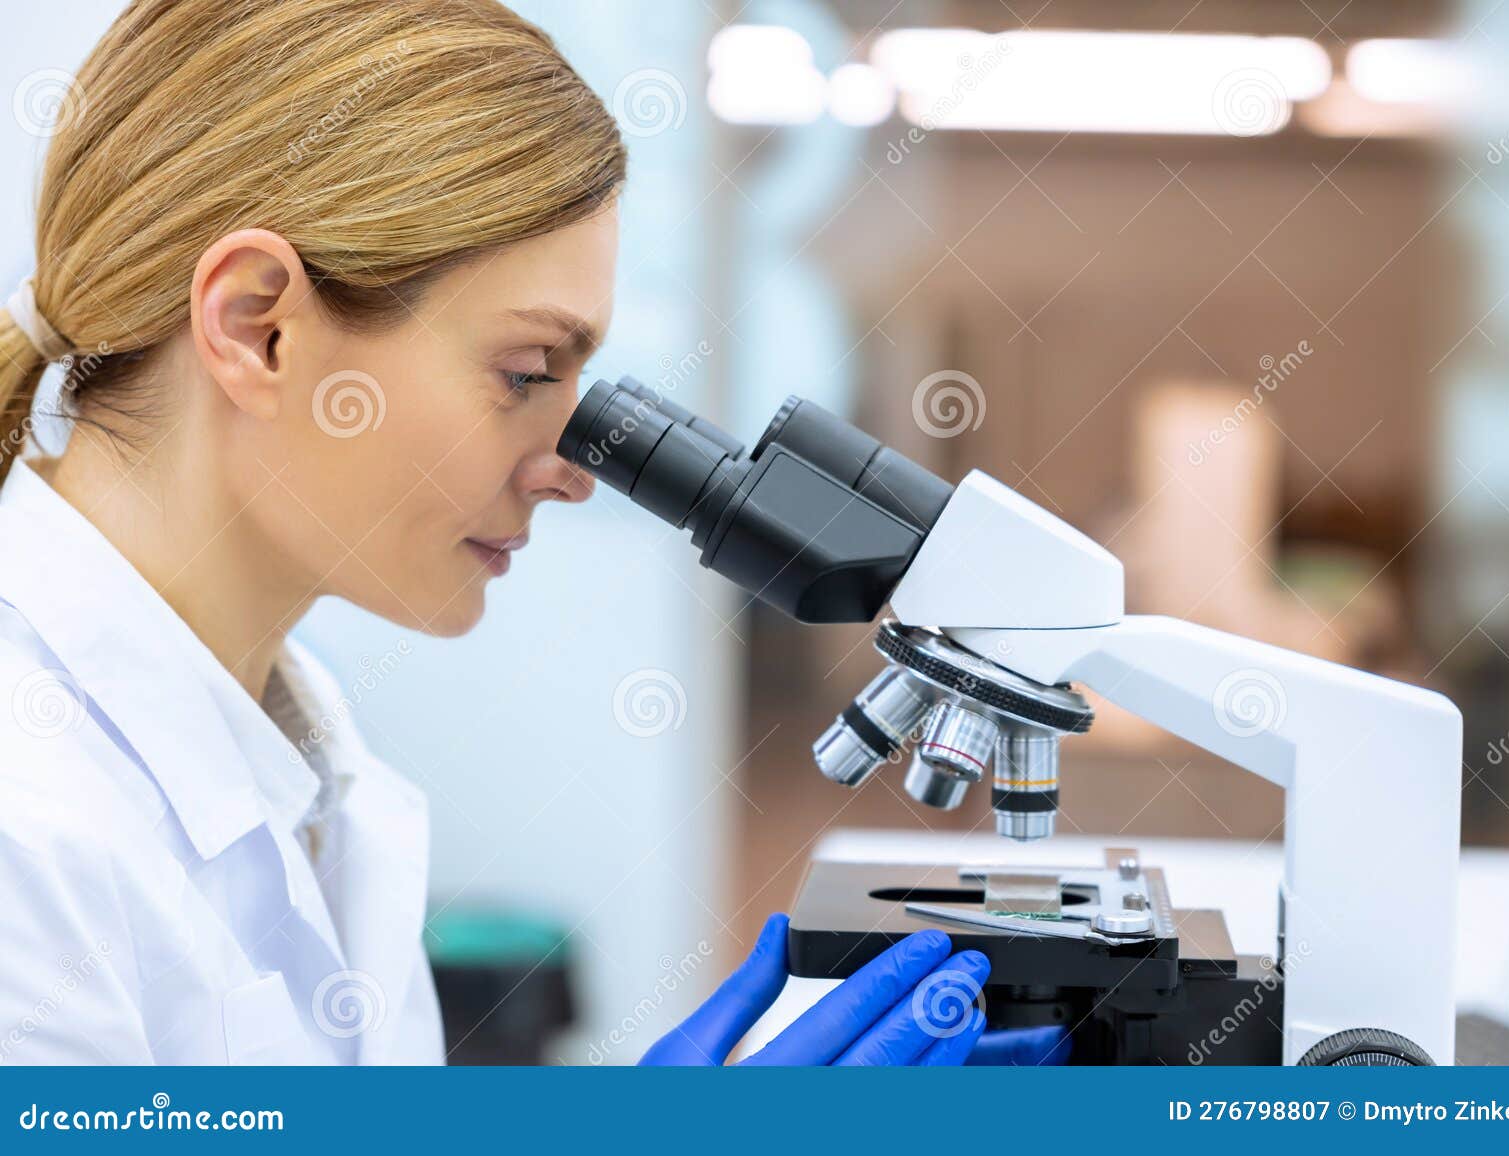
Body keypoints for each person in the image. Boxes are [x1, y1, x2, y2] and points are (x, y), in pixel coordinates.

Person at [0, 0, 1067, 1066]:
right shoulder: (28, 820)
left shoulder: (307, 755)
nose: (571, 470)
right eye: (523, 373)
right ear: (257, 326)